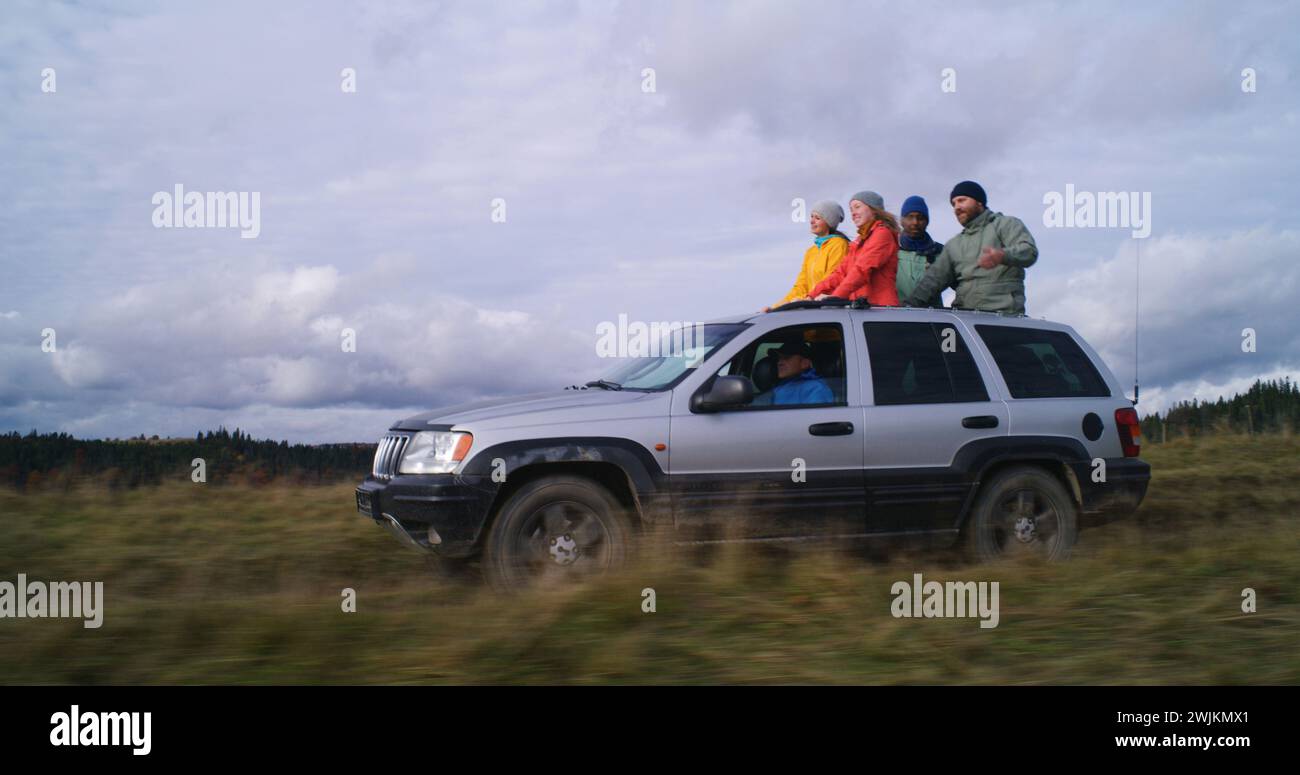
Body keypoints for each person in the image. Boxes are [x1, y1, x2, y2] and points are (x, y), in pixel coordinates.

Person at [903, 181, 1038, 314]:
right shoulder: (954, 244)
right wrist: (906, 308)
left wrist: (1002, 255)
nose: (957, 207)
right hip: (967, 319)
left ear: (979, 202)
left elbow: (1029, 251)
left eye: (962, 200)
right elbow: (933, 281)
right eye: (954, 204)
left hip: (1004, 316)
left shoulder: (1006, 224)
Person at [807, 190, 899, 306]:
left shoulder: (882, 234)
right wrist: (811, 296)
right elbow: (840, 273)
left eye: (857, 207)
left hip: (881, 310)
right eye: (851, 210)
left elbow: (862, 270)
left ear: (874, 209)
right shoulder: (859, 241)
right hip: (863, 309)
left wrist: (836, 297)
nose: (853, 213)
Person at [765, 201, 850, 312]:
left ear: (829, 222)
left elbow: (832, 281)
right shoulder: (811, 251)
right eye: (811, 217)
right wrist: (776, 308)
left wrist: (806, 301)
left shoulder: (839, 245)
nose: (811, 221)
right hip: (811, 309)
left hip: (829, 311)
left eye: (817, 218)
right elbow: (801, 286)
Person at [895, 195, 946, 307]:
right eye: (910, 217)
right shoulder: (890, 249)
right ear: (902, 220)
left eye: (920, 218)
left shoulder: (940, 252)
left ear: (927, 221)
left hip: (932, 320)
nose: (915, 222)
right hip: (895, 318)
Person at [770, 340, 833, 405]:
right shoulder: (781, 386)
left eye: (786, 358)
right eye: (779, 358)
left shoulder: (816, 388)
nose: (779, 363)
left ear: (805, 363)